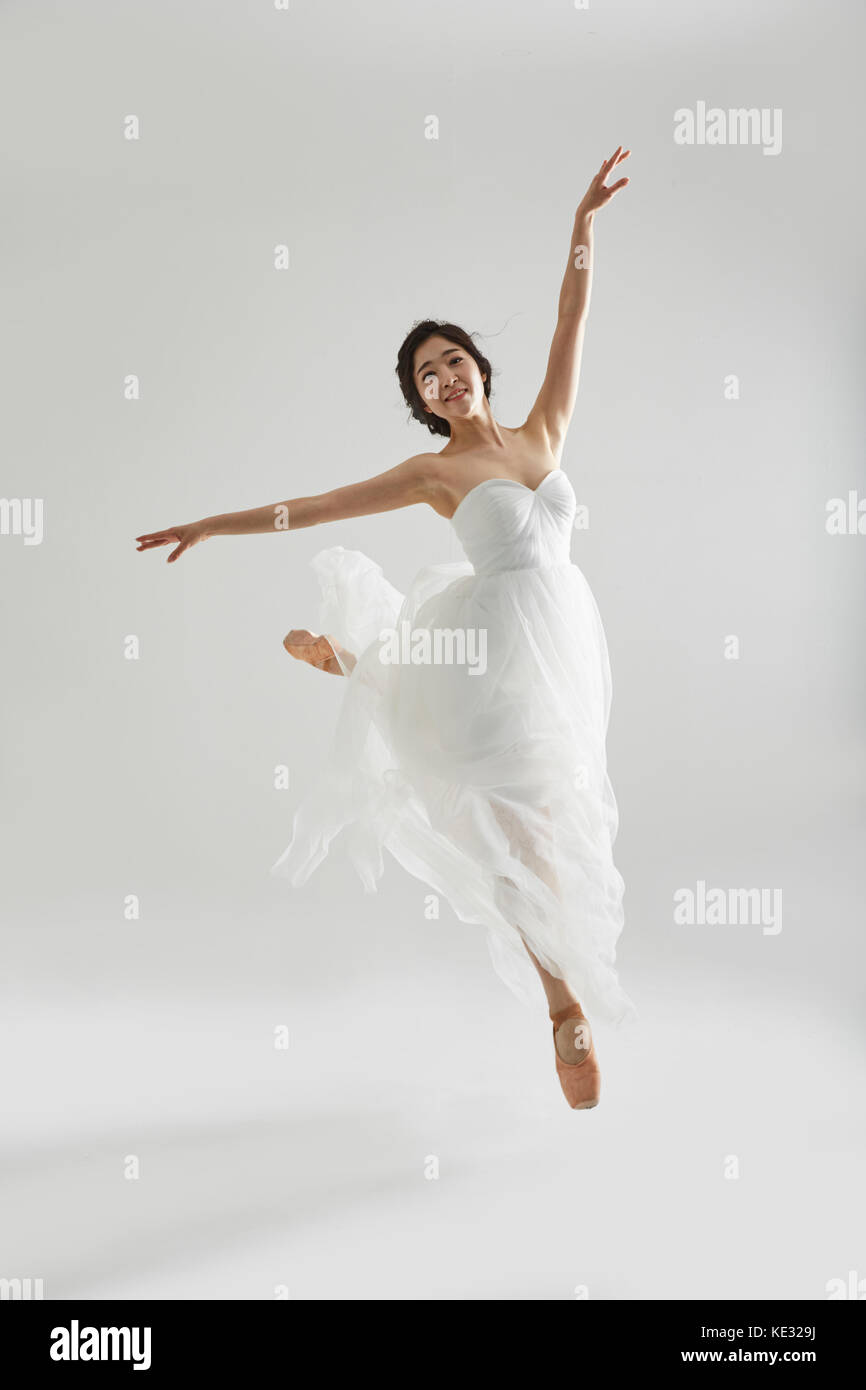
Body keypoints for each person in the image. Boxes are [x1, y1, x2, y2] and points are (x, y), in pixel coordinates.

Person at [136, 146, 635, 1109]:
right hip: (495, 641)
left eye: (452, 361)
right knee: (513, 831)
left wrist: (582, 225)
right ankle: (561, 1005)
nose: (444, 377)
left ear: (479, 370)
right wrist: (212, 523)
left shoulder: (543, 433)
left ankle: (358, 664)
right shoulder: (432, 476)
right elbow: (316, 507)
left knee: (564, 814)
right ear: (422, 404)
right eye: (426, 376)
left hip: (562, 648)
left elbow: (573, 317)